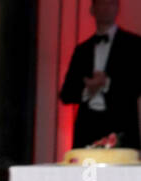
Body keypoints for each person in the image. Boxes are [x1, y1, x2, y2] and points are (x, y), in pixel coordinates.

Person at [58, 0, 141, 149]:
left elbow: (137, 84)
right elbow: (66, 94)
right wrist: (87, 91)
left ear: (117, 8)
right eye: (101, 3)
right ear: (92, 9)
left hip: (121, 127)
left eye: (110, 3)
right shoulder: (82, 50)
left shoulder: (134, 44)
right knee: (84, 171)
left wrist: (107, 83)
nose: (106, 7)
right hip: (87, 129)